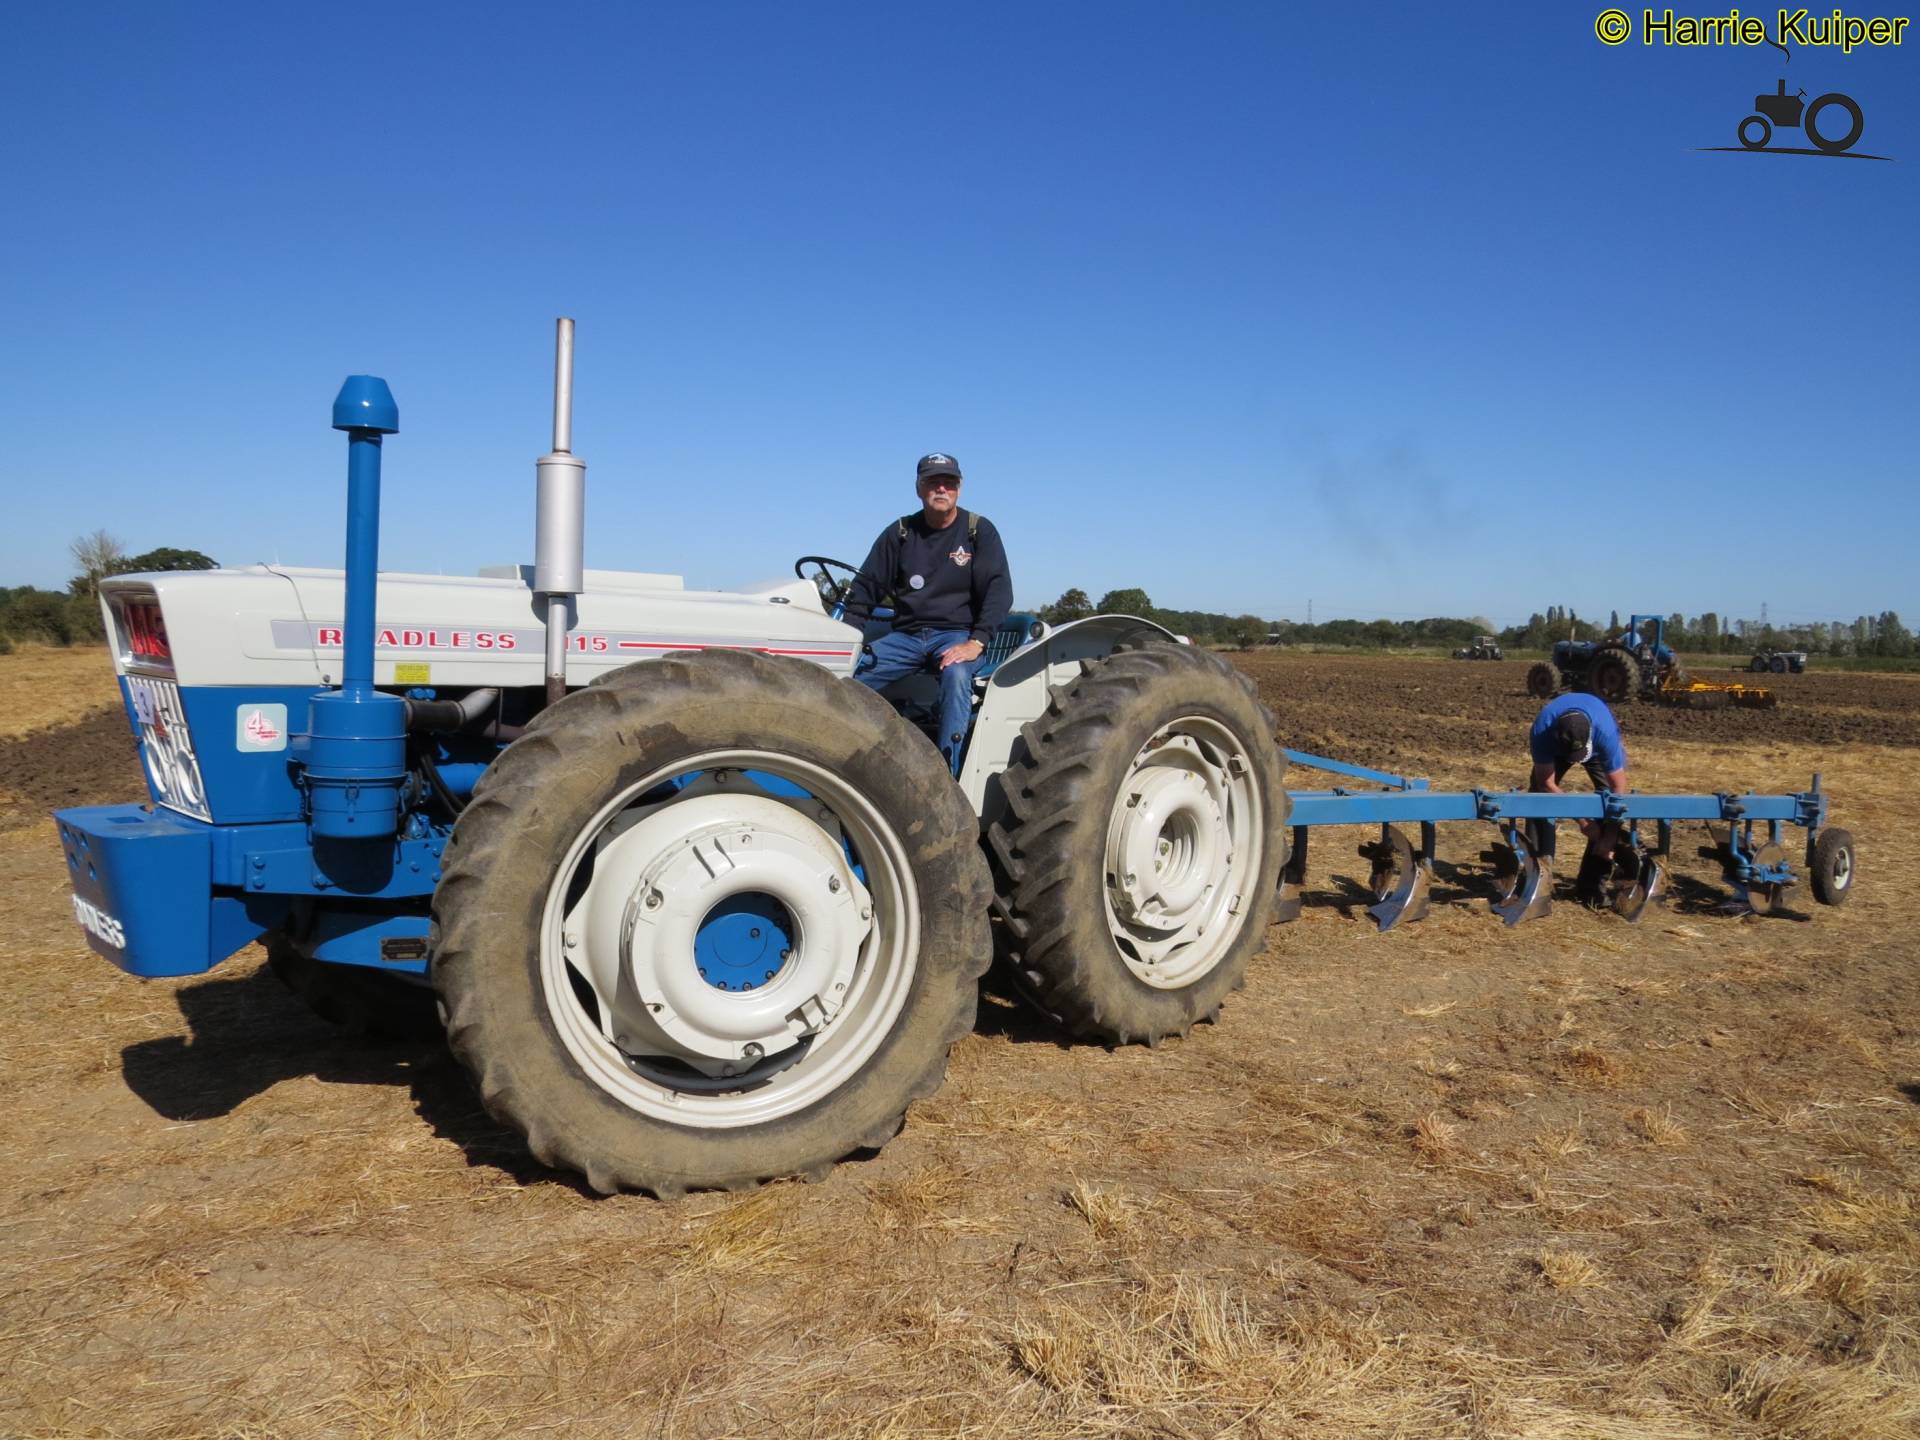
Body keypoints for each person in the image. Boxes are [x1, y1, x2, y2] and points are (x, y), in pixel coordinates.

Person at [845, 453, 1013, 776]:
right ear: (919, 488)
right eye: (932, 482)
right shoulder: (900, 533)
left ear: (959, 488)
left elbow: (999, 591)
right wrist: (844, 645)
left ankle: (946, 776)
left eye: (948, 482)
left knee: (957, 674)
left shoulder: (978, 531)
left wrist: (977, 641)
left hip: (956, 635)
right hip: (906, 637)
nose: (941, 488)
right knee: (847, 677)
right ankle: (846, 758)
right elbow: (863, 592)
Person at [1527, 692, 1630, 906]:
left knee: (1607, 801)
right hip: (1555, 751)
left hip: (1596, 749)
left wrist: (1609, 836)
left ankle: (1591, 887)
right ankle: (1539, 875)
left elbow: (1619, 789)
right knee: (1538, 799)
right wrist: (1583, 822)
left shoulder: (1605, 733)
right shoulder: (1542, 731)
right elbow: (1547, 784)